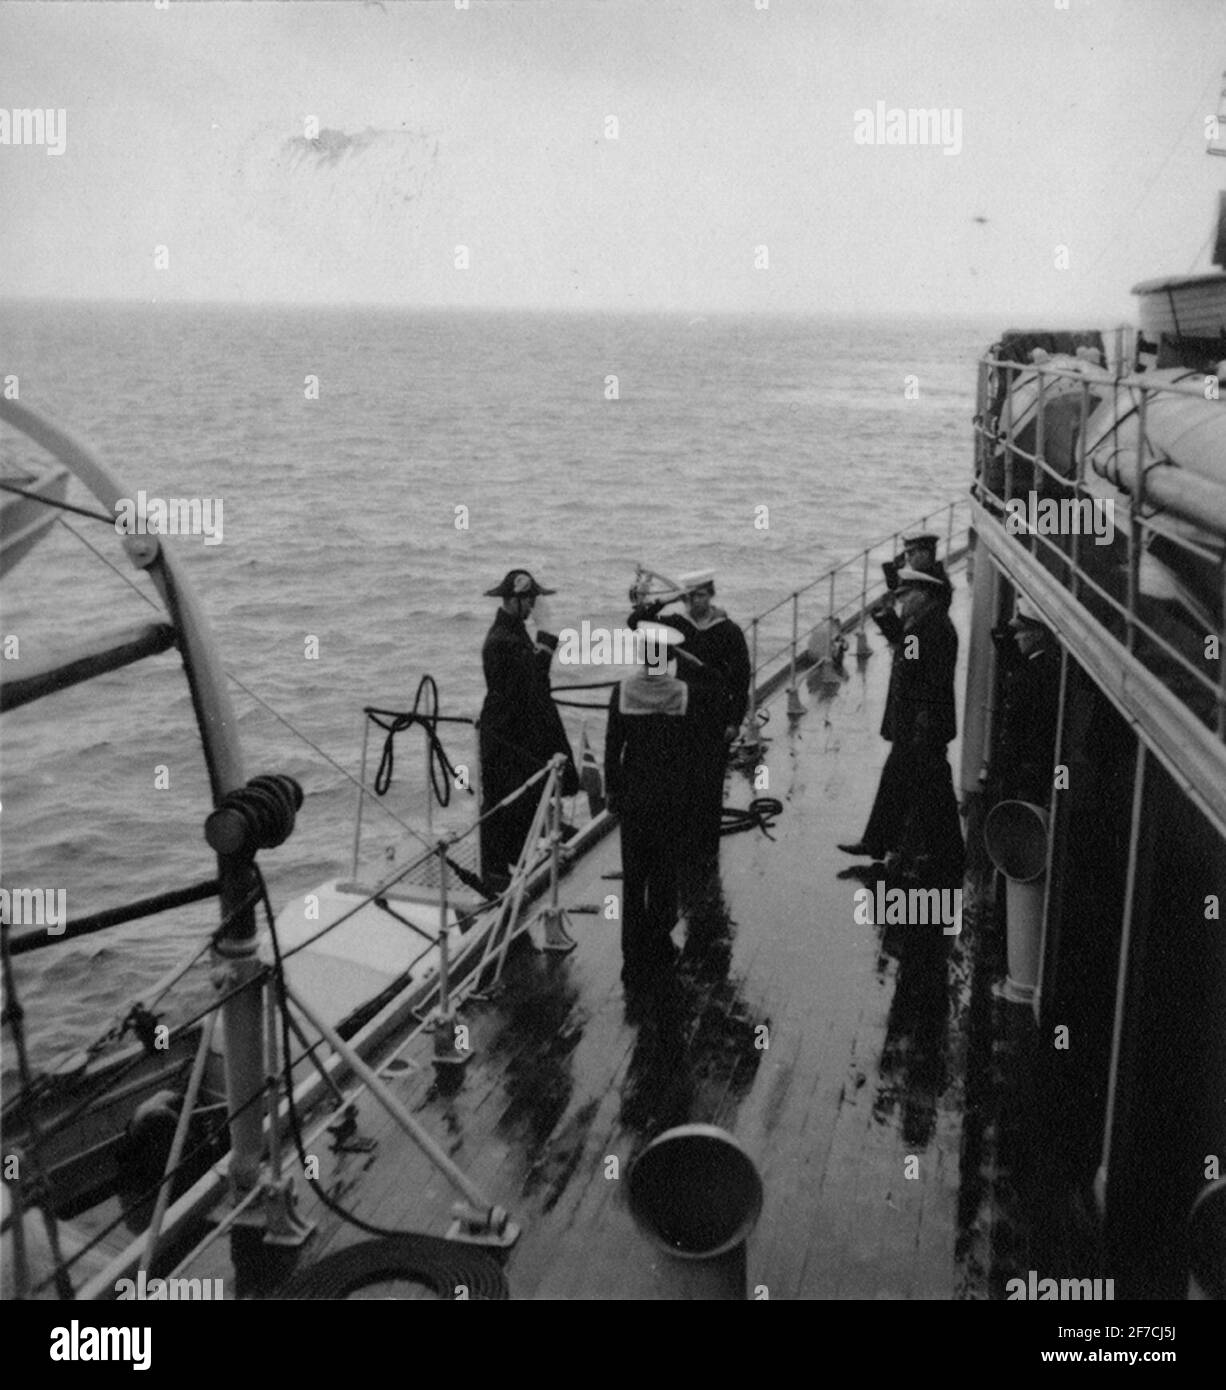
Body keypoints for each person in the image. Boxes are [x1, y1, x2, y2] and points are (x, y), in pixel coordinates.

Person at [838, 568, 963, 879]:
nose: (902, 602)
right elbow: (910, 659)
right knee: (901, 781)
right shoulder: (922, 624)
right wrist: (892, 626)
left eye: (906, 596)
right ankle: (878, 843)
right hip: (914, 724)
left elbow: (930, 678)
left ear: (924, 593)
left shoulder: (934, 628)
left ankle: (946, 855)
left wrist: (922, 722)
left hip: (923, 726)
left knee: (933, 790)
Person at [629, 569, 752, 869]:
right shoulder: (678, 625)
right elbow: (636, 624)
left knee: (710, 783)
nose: (692, 601)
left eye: (698, 594)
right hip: (682, 712)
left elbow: (741, 679)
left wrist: (734, 722)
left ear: (710, 594)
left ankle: (707, 849)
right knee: (682, 779)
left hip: (716, 714)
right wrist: (661, 601)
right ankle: (684, 844)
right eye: (689, 595)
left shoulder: (729, 631)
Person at [478, 569, 578, 889]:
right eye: (530, 600)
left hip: (516, 730)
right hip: (504, 735)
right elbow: (533, 681)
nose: (535, 605)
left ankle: (524, 852)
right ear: (514, 600)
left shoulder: (513, 632)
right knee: (505, 799)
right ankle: (497, 873)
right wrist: (546, 634)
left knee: (522, 796)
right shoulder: (501, 641)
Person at [604, 623, 689, 984]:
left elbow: (612, 747)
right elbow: (688, 750)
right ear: (669, 656)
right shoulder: (682, 693)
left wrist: (612, 792)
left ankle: (632, 952)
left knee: (634, 875)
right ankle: (660, 941)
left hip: (634, 793)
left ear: (641, 654)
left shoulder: (621, 691)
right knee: (665, 871)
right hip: (669, 794)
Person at [991, 601, 1061, 805]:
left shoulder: (1035, 672)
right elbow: (998, 634)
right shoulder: (1029, 666)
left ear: (1038, 635)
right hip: (1025, 765)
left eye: (1021, 632)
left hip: (1028, 766)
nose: (1015, 637)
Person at [882, 533, 952, 609]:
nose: (908, 559)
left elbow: (919, 618)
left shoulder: (934, 583)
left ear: (924, 554)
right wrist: (894, 568)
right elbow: (895, 586)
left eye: (911, 554)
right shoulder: (929, 575)